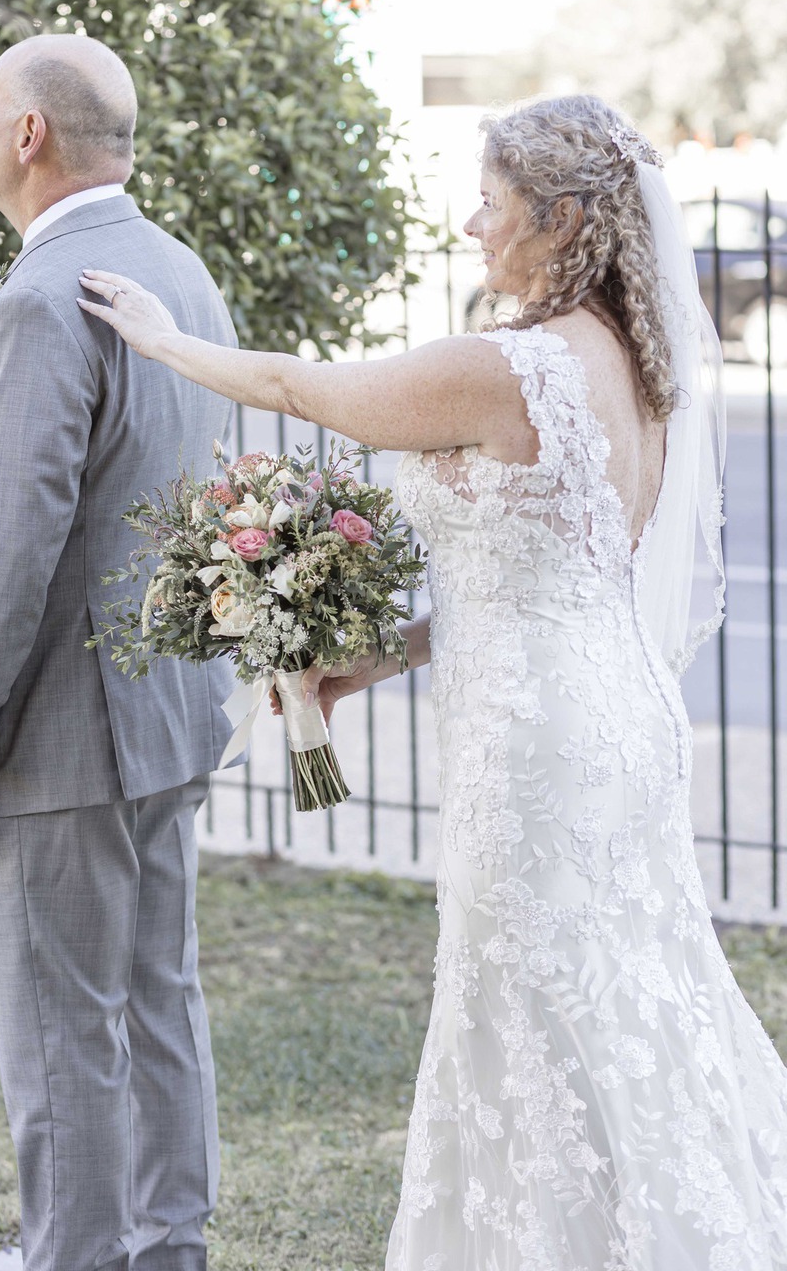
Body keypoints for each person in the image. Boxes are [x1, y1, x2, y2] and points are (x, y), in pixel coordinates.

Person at [77, 94, 787, 1269]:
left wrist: (161, 340)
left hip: (537, 750)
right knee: (625, 995)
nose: (469, 225)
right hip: (616, 718)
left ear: (561, 219)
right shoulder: (633, 360)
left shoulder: (504, 366)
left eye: (490, 203)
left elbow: (301, 389)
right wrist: (379, 656)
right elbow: (539, 579)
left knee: (533, 1012)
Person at [0, 33, 238, 1271]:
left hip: (58, 741)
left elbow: (8, 551)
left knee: (60, 1047)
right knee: (159, 1005)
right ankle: (169, 1253)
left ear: (29, 134)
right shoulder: (178, 270)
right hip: (170, 714)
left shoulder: (42, 301)